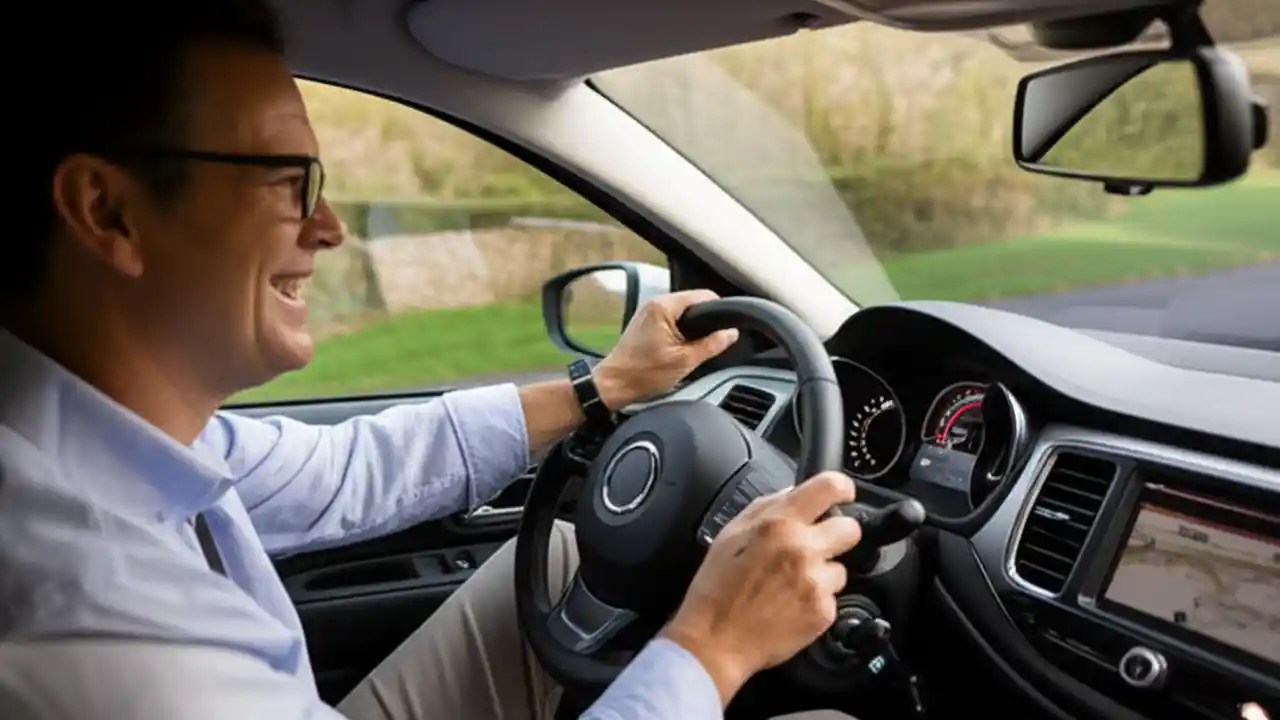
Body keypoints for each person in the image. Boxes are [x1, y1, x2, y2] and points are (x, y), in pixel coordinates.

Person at [0, 2, 864, 719]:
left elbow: (346, 470)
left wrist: (603, 386)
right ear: (107, 212)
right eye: (287, 181)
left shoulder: (110, 437)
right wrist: (712, 645)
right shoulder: (93, 624)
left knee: (558, 562)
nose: (328, 228)